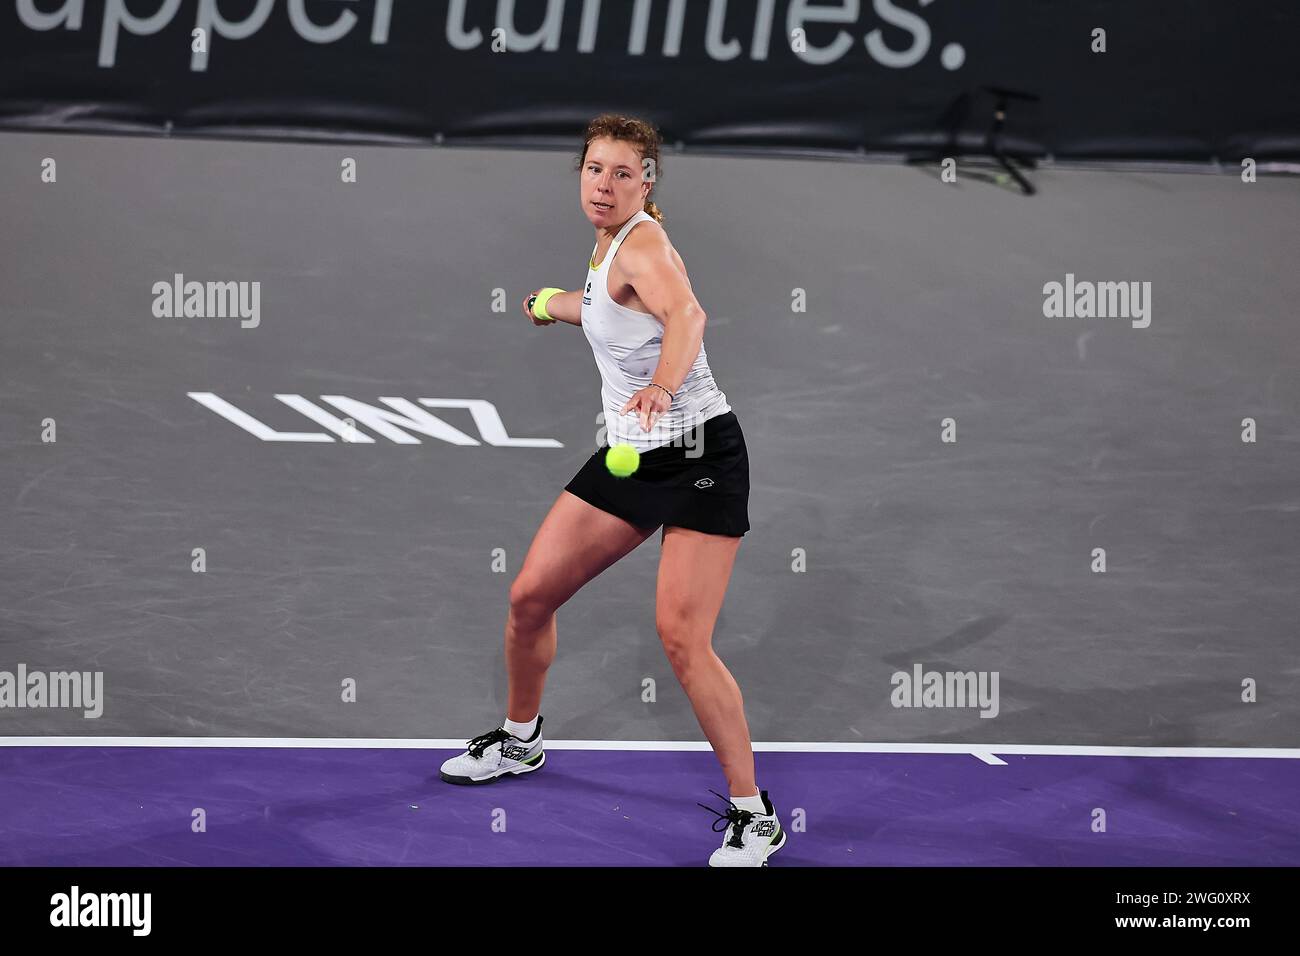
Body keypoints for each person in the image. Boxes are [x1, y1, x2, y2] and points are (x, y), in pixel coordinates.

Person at [440, 114, 785, 867]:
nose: (604, 184)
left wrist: (663, 385)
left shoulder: (649, 244)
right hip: (631, 455)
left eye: (622, 173)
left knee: (682, 638)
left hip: (699, 459)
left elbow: (685, 315)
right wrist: (552, 303)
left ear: (647, 181)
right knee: (530, 596)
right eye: (595, 169)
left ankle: (753, 815)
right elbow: (607, 309)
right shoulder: (605, 245)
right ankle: (521, 740)